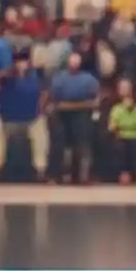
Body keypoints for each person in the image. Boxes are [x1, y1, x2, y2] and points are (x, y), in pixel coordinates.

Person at [0, 51, 49, 182]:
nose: (21, 65)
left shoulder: (36, 78)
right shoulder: (6, 78)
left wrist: (41, 108)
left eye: (23, 62)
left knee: (41, 128)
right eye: (18, 62)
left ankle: (40, 169)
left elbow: (45, 93)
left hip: (31, 119)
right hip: (8, 120)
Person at [49, 52, 100, 184]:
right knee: (62, 146)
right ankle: (61, 175)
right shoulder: (59, 78)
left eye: (77, 61)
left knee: (83, 146)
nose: (74, 64)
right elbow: (57, 103)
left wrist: (73, 105)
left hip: (82, 116)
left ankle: (83, 176)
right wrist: (81, 104)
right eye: (72, 61)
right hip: (63, 116)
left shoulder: (88, 79)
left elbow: (95, 101)